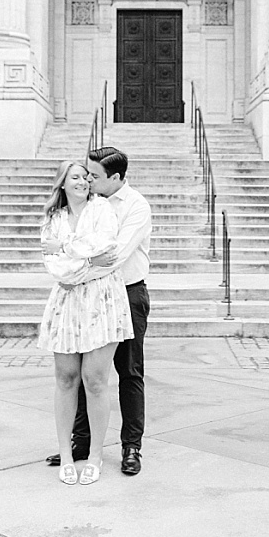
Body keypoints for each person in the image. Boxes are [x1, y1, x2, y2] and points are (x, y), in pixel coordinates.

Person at [38, 158, 133, 486]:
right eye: (74, 177)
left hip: (103, 301)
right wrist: (86, 260)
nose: (82, 182)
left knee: (95, 380)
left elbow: (106, 252)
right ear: (62, 183)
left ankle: (94, 455)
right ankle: (66, 454)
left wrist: (68, 250)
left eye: (85, 177)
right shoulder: (54, 218)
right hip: (66, 304)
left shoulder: (103, 210)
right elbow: (57, 270)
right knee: (66, 379)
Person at [67, 145, 152, 476]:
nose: (87, 179)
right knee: (89, 371)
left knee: (129, 371)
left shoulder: (136, 206)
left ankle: (132, 447)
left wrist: (77, 267)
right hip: (91, 293)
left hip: (128, 293)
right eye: (86, 172)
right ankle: (81, 442)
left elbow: (115, 255)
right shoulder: (88, 202)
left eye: (95, 175)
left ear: (115, 178)